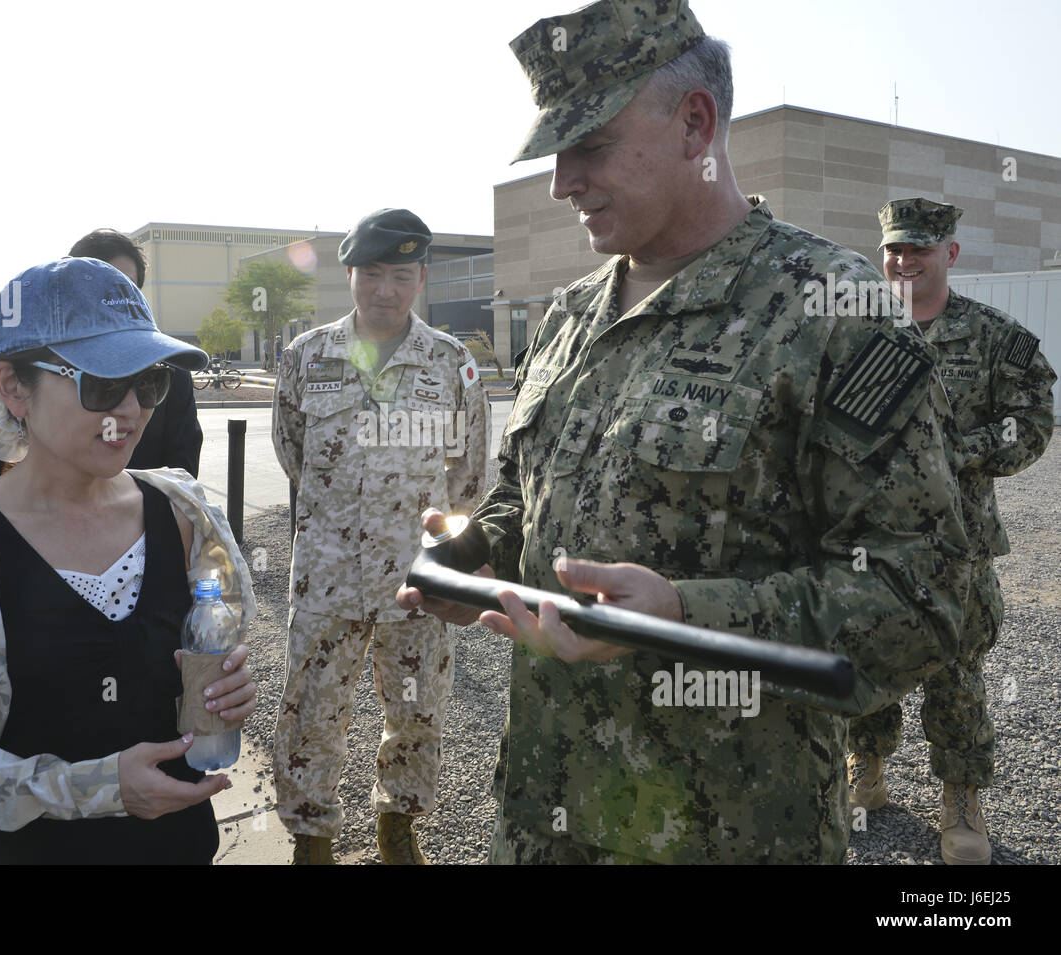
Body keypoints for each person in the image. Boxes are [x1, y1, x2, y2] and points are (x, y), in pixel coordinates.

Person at [398, 0, 970, 864]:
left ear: (695, 124)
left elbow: (920, 599)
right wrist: (475, 555)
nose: (562, 183)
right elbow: (524, 489)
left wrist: (683, 614)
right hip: (543, 820)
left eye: (588, 144)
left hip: (728, 836)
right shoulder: (569, 315)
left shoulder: (832, 313)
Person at [0, 257, 254, 864]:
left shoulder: (184, 517)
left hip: (179, 845)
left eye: (149, 383)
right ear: (15, 387)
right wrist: (95, 789)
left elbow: (211, 658)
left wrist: (222, 692)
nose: (129, 410)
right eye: (102, 384)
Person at [272, 208, 489, 864]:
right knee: (312, 704)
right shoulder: (306, 356)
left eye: (401, 274)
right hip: (326, 572)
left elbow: (471, 472)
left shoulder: (452, 362)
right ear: (350, 274)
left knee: (419, 707)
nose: (385, 289)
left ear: (421, 277)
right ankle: (312, 836)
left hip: (415, 576)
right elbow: (292, 452)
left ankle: (399, 825)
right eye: (372, 273)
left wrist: (438, 544)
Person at [848, 198, 1056, 865]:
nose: (904, 262)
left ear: (951, 254)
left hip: (954, 545)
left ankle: (961, 798)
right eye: (895, 251)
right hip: (870, 541)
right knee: (863, 655)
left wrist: (955, 451)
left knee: (957, 668)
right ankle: (866, 767)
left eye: (920, 250)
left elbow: (1033, 425)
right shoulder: (858, 334)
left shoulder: (996, 338)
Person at [69, 228, 204, 477]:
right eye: (103, 286)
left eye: (127, 289)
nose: (129, 408)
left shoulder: (171, 370)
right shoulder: (46, 369)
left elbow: (182, 476)